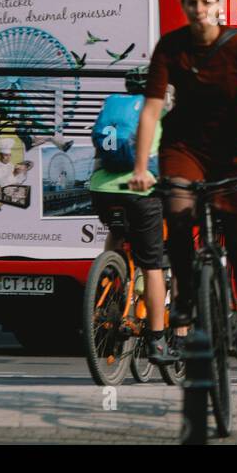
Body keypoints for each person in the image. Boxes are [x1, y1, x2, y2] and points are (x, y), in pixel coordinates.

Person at [127, 0, 237, 390]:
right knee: (176, 208)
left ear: (219, 5)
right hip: (185, 148)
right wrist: (141, 167)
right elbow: (151, 108)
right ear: (184, 7)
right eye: (190, 2)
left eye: (205, 2)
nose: (198, 9)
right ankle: (187, 300)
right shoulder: (170, 47)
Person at [88, 70, 177, 364]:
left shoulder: (112, 107)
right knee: (152, 266)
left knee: (117, 231)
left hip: (101, 191)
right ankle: (157, 341)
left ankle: (108, 283)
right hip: (139, 192)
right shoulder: (157, 112)